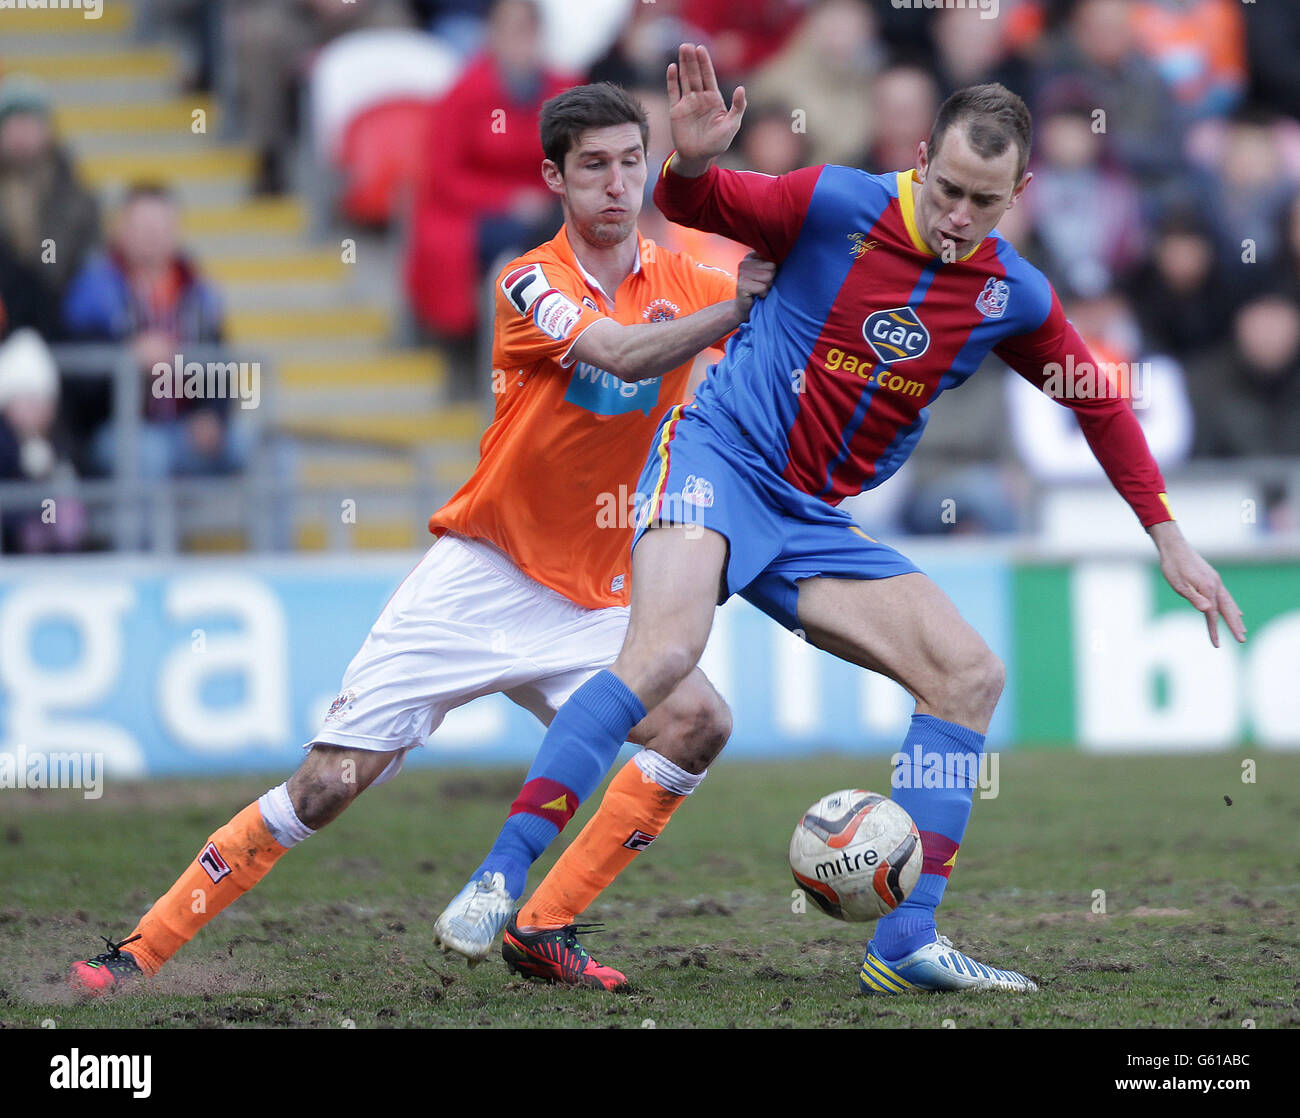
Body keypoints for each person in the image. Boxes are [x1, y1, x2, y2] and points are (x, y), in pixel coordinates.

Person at [500, 43, 1245, 995]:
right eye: (949, 190)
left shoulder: (1009, 293)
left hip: (810, 517)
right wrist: (691, 160)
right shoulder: (836, 202)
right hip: (722, 461)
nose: (958, 216)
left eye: (984, 201)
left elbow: (1095, 400)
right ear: (922, 158)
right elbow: (694, 204)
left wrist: (1167, 536)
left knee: (968, 676)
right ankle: (503, 884)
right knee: (663, 659)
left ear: (1019, 194)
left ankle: (904, 942)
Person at [68, 81, 774, 996]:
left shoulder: (685, 280)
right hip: (483, 574)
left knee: (698, 723)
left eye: (632, 163)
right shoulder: (528, 280)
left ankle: (543, 925)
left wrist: (737, 192)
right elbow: (619, 353)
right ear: (553, 177)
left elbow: (792, 302)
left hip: (595, 593)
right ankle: (137, 954)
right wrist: (737, 310)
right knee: (326, 785)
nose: (616, 184)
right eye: (593, 165)